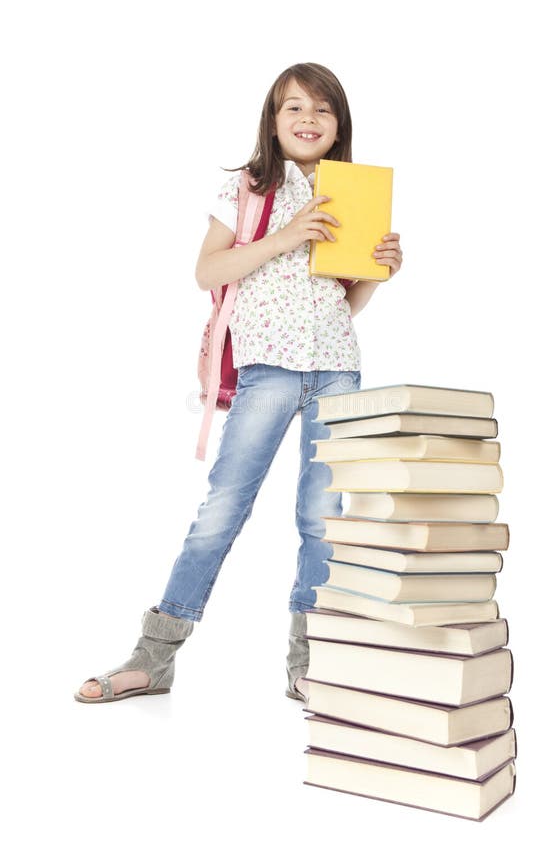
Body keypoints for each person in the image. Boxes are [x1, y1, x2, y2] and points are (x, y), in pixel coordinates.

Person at [74, 62, 403, 704]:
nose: (308, 120)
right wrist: (286, 235)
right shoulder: (249, 189)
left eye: (322, 109)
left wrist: (380, 272)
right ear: (272, 121)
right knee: (223, 511)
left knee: (324, 519)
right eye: (293, 108)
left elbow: (343, 302)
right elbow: (208, 271)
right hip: (268, 370)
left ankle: (310, 666)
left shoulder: (353, 193)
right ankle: (153, 657)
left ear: (340, 125)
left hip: (337, 366)